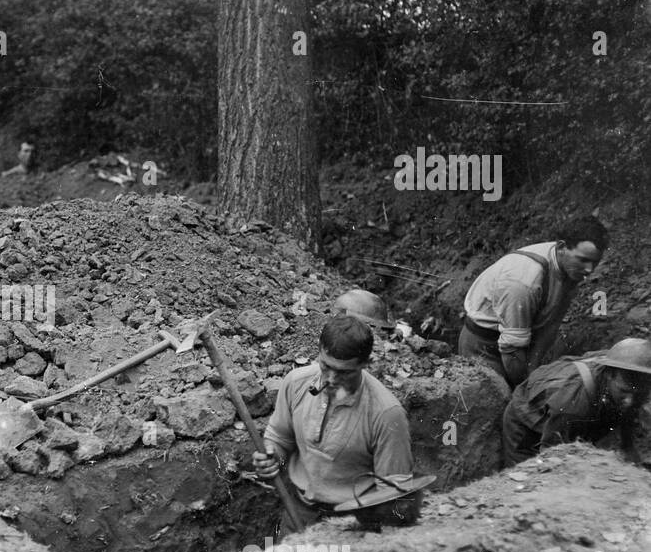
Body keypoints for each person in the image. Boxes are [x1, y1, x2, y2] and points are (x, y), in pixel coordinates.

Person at [254, 316, 425, 532]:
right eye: (326, 366)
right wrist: (273, 458)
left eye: (344, 372)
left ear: (365, 364)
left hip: (354, 523)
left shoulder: (386, 414)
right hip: (298, 512)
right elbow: (280, 437)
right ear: (319, 352)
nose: (332, 379)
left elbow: (393, 490)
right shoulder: (296, 383)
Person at [460, 217, 610, 388]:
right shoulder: (523, 282)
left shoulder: (569, 267)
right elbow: (512, 348)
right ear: (561, 247)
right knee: (501, 402)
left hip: (519, 339)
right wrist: (526, 386)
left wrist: (533, 372)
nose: (590, 270)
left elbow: (550, 326)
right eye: (583, 260)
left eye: (595, 262)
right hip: (483, 345)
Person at [500, 338, 651, 467]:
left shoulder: (624, 363)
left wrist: (628, 448)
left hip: (576, 412)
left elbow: (629, 411)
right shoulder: (573, 404)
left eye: (637, 394)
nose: (630, 400)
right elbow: (551, 455)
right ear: (609, 375)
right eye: (623, 392)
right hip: (527, 422)